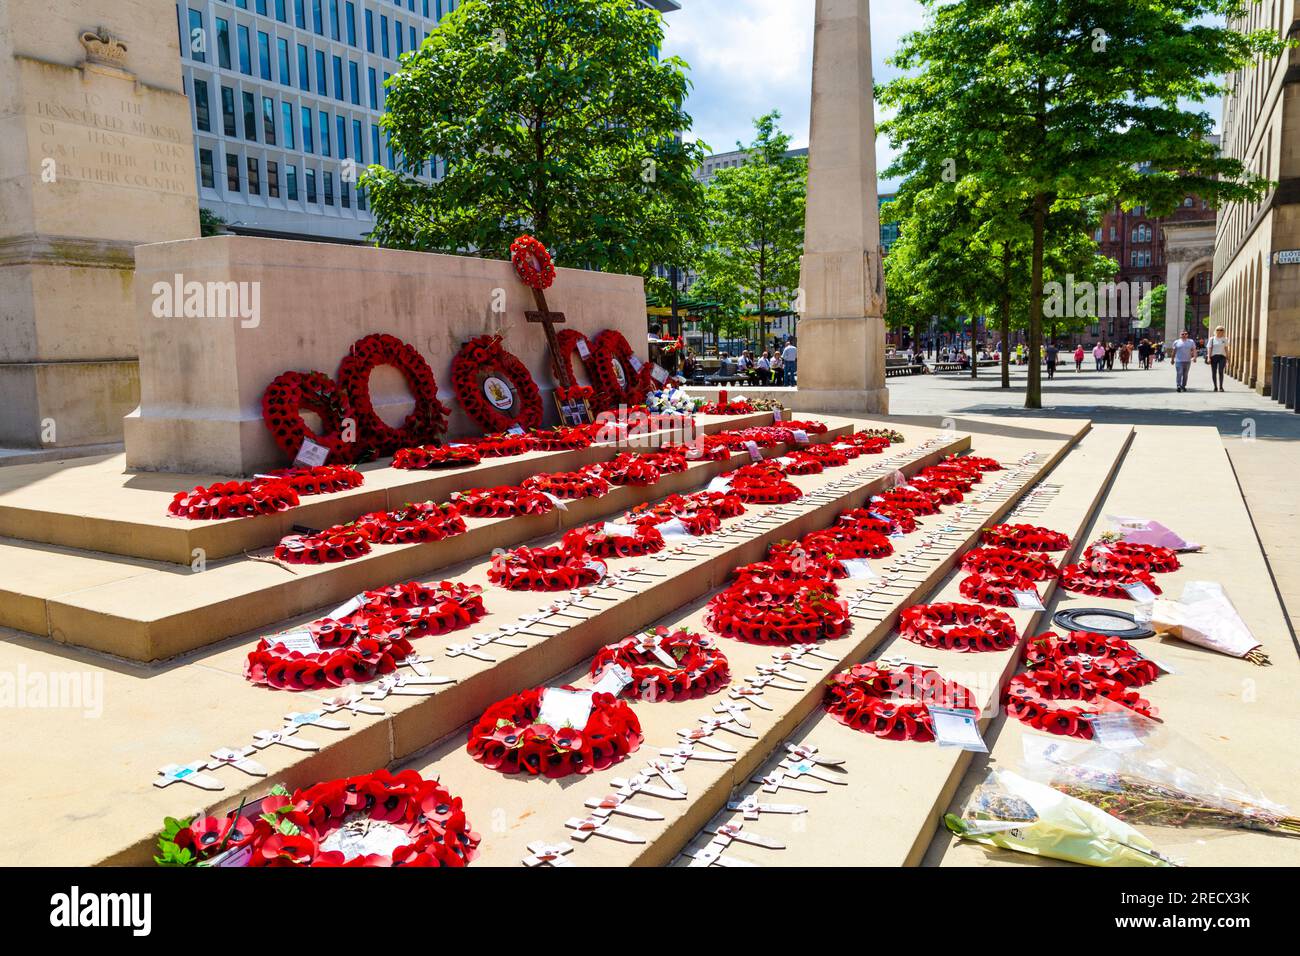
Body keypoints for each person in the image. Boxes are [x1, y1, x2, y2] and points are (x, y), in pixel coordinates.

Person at [1206, 325, 1229, 392]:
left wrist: (1228, 357)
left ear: (1223, 331)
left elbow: (1226, 348)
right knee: (1214, 372)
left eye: (1221, 330)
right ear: (1215, 331)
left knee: (1221, 371)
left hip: (1222, 357)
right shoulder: (1212, 339)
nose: (1219, 331)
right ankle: (1215, 386)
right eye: (1218, 330)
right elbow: (1209, 348)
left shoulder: (1225, 339)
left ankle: (1221, 387)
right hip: (1214, 357)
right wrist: (1208, 357)